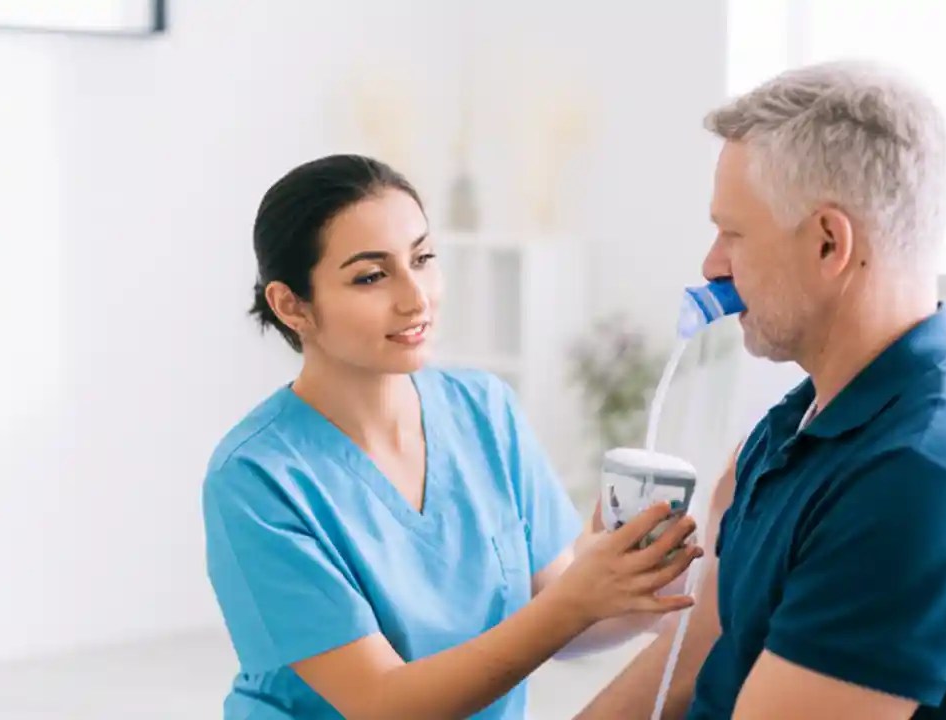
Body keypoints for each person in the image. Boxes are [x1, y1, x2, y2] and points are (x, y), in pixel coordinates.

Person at [578, 60, 946, 720]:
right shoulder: (799, 424)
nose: (712, 265)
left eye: (732, 234)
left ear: (829, 242)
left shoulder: (915, 482)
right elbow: (695, 653)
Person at [203, 154, 702, 719]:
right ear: (291, 305)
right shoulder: (256, 478)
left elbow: (563, 613)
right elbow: (382, 705)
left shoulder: (484, 410)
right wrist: (573, 602)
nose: (416, 297)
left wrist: (644, 582)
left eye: (422, 258)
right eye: (371, 276)